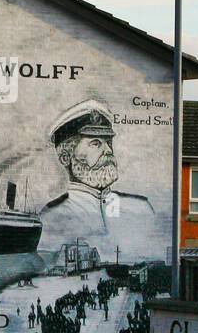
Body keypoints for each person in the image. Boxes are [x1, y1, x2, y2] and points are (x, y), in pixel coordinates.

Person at [39, 100, 154, 254]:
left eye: (109, 142)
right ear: (65, 157)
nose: (108, 150)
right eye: (95, 144)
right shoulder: (50, 218)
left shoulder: (142, 208)